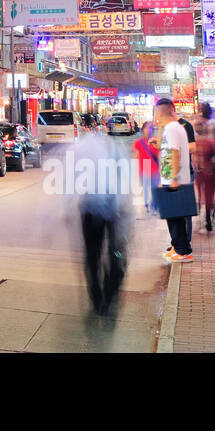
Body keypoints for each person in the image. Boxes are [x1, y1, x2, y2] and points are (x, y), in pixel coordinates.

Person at [70, 125, 134, 316]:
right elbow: (126, 180)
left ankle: (97, 296)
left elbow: (73, 178)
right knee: (115, 252)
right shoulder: (118, 149)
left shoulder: (82, 151)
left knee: (93, 254)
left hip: (92, 210)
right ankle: (109, 294)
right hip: (113, 211)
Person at [154, 98, 195, 263]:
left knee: (176, 218)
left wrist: (172, 178)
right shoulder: (172, 128)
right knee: (174, 217)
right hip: (171, 177)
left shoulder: (172, 128)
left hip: (174, 179)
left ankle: (182, 251)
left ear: (161, 112)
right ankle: (180, 248)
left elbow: (174, 153)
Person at [193, 115, 215, 232]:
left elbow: (192, 159)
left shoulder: (193, 143)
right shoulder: (211, 142)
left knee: (200, 194)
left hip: (198, 172)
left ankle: (200, 216)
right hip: (210, 172)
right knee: (209, 195)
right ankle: (208, 218)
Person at [133, 122, 160, 215]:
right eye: (146, 128)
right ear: (142, 129)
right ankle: (147, 205)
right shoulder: (138, 142)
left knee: (155, 189)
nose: (148, 130)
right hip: (145, 166)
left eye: (150, 128)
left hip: (155, 167)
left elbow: (160, 154)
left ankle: (154, 206)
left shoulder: (156, 141)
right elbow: (135, 155)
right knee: (146, 189)